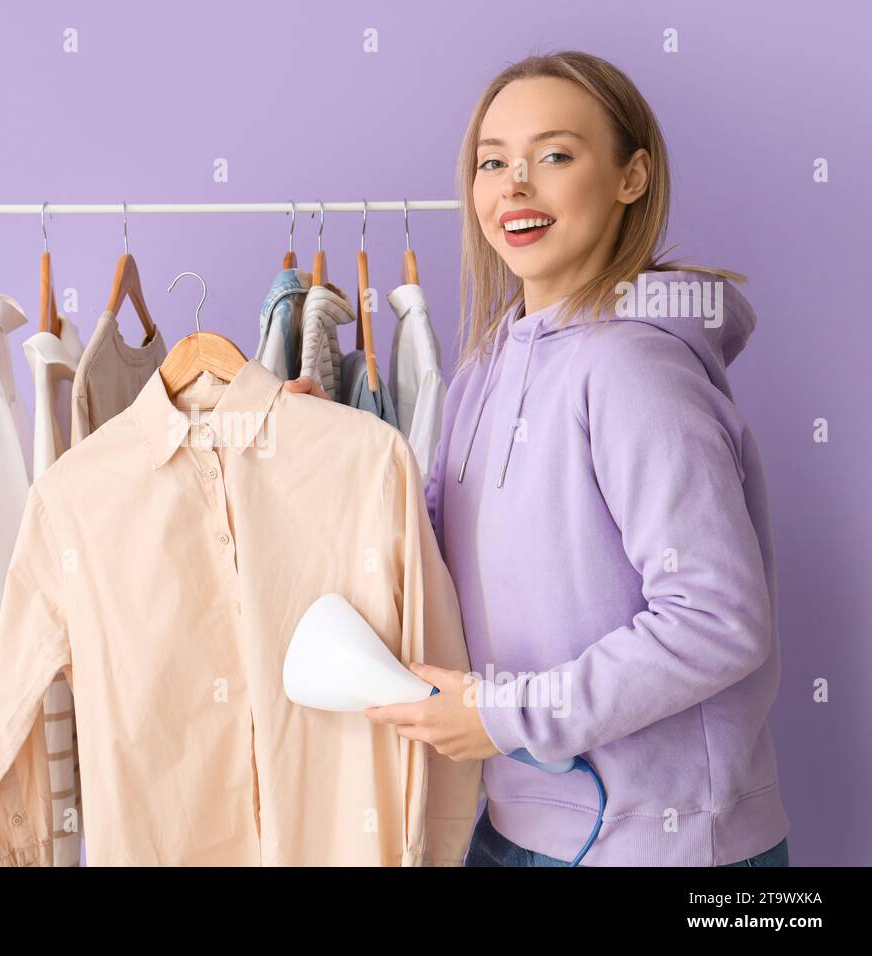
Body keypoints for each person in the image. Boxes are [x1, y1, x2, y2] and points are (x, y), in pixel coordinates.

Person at [285, 50, 789, 867]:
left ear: (632, 177)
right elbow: (445, 547)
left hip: (660, 844)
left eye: (554, 155)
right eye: (493, 162)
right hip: (520, 826)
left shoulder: (634, 369)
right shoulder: (488, 364)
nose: (514, 185)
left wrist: (501, 715)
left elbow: (717, 619)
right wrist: (325, 461)